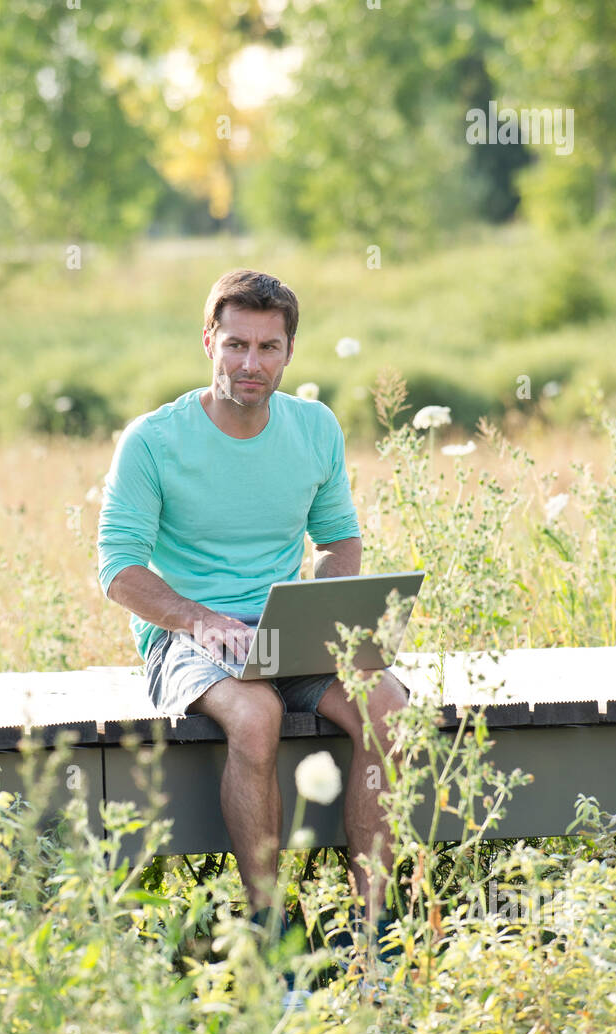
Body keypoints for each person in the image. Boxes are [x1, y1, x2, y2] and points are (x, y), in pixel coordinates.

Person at [97, 268, 409, 945]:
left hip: (284, 629)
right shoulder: (152, 440)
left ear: (288, 353)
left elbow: (337, 540)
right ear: (207, 340)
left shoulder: (313, 428)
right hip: (187, 637)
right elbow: (118, 570)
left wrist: (323, 605)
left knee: (387, 707)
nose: (250, 364)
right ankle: (269, 930)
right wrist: (202, 620)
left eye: (268, 348)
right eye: (235, 344)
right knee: (255, 712)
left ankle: (373, 929)